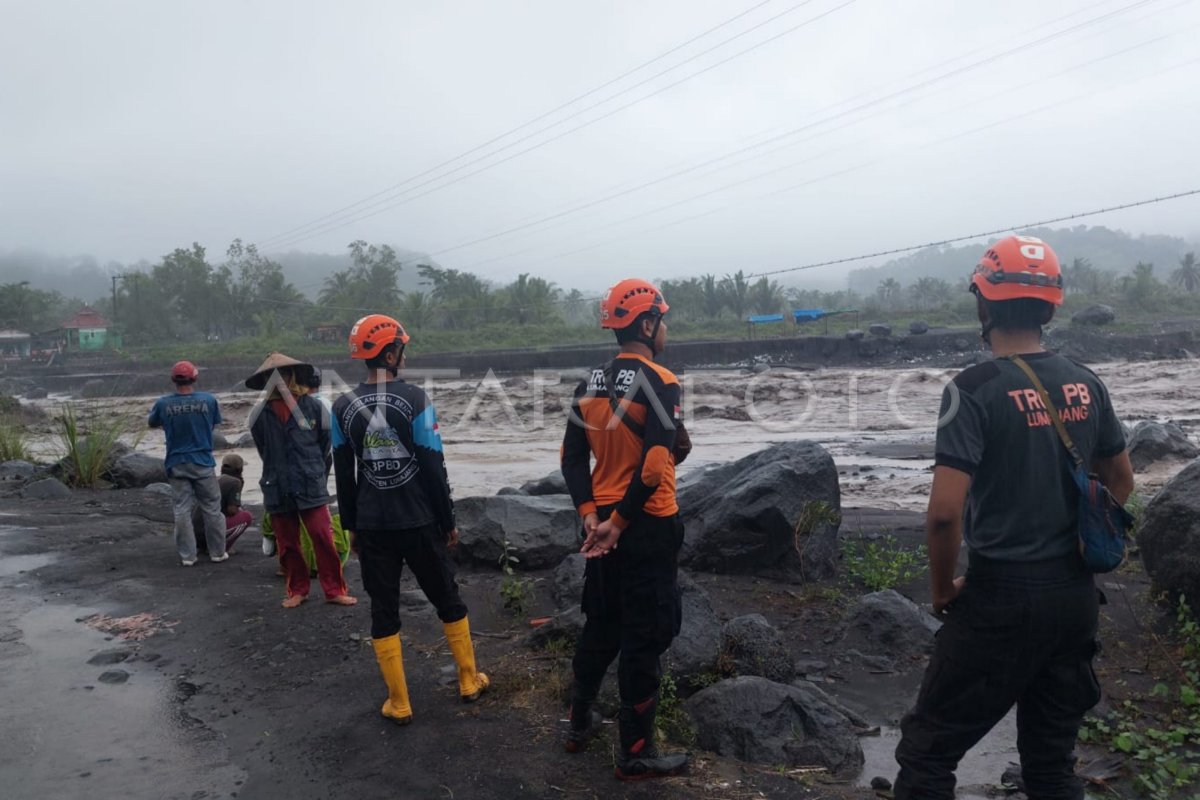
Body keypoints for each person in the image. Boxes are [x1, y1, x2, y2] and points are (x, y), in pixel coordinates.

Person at [893, 235, 1135, 800]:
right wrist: (1080, 545)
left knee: (928, 754)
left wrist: (942, 590)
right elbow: (1121, 481)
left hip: (1000, 598)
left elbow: (944, 515)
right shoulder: (1086, 381)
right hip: (1074, 598)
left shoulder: (971, 389)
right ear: (1049, 310)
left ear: (984, 304)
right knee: (1051, 765)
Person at [560, 278, 689, 780]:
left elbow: (571, 459)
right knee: (644, 635)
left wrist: (591, 515)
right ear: (648, 324)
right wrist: (620, 522)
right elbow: (654, 466)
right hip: (646, 523)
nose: (666, 329)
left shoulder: (588, 384)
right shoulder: (661, 380)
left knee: (602, 624)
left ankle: (578, 724)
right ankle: (636, 752)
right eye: (663, 320)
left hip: (603, 523)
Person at [331, 314, 487, 726]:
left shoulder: (341, 407)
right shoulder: (417, 399)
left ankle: (399, 702)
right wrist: (447, 519)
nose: (405, 355)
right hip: (419, 521)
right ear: (389, 353)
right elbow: (433, 464)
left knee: (383, 609)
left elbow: (344, 476)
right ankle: (468, 681)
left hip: (372, 526)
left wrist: (351, 527)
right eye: (401, 348)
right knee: (447, 597)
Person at [247, 351, 356, 609]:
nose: (279, 380)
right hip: (277, 486)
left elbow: (324, 446)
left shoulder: (314, 407)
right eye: (273, 377)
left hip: (310, 484)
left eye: (284, 374)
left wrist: (312, 470)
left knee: (323, 537)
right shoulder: (259, 415)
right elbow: (264, 450)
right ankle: (297, 590)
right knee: (287, 544)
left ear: (293, 376)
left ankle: (334, 590)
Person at [148, 360, 228, 566]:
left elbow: (152, 422)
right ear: (194, 377)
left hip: (176, 462)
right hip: (203, 461)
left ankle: (188, 556)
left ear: (173, 379)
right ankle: (218, 552)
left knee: (181, 509)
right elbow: (213, 423)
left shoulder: (163, 404)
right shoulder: (209, 400)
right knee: (212, 508)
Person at [192, 453, 253, 556]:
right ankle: (223, 547)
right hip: (207, 533)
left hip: (195, 535)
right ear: (240, 469)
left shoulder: (215, 479)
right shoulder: (235, 482)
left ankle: (206, 547)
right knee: (246, 516)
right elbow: (232, 510)